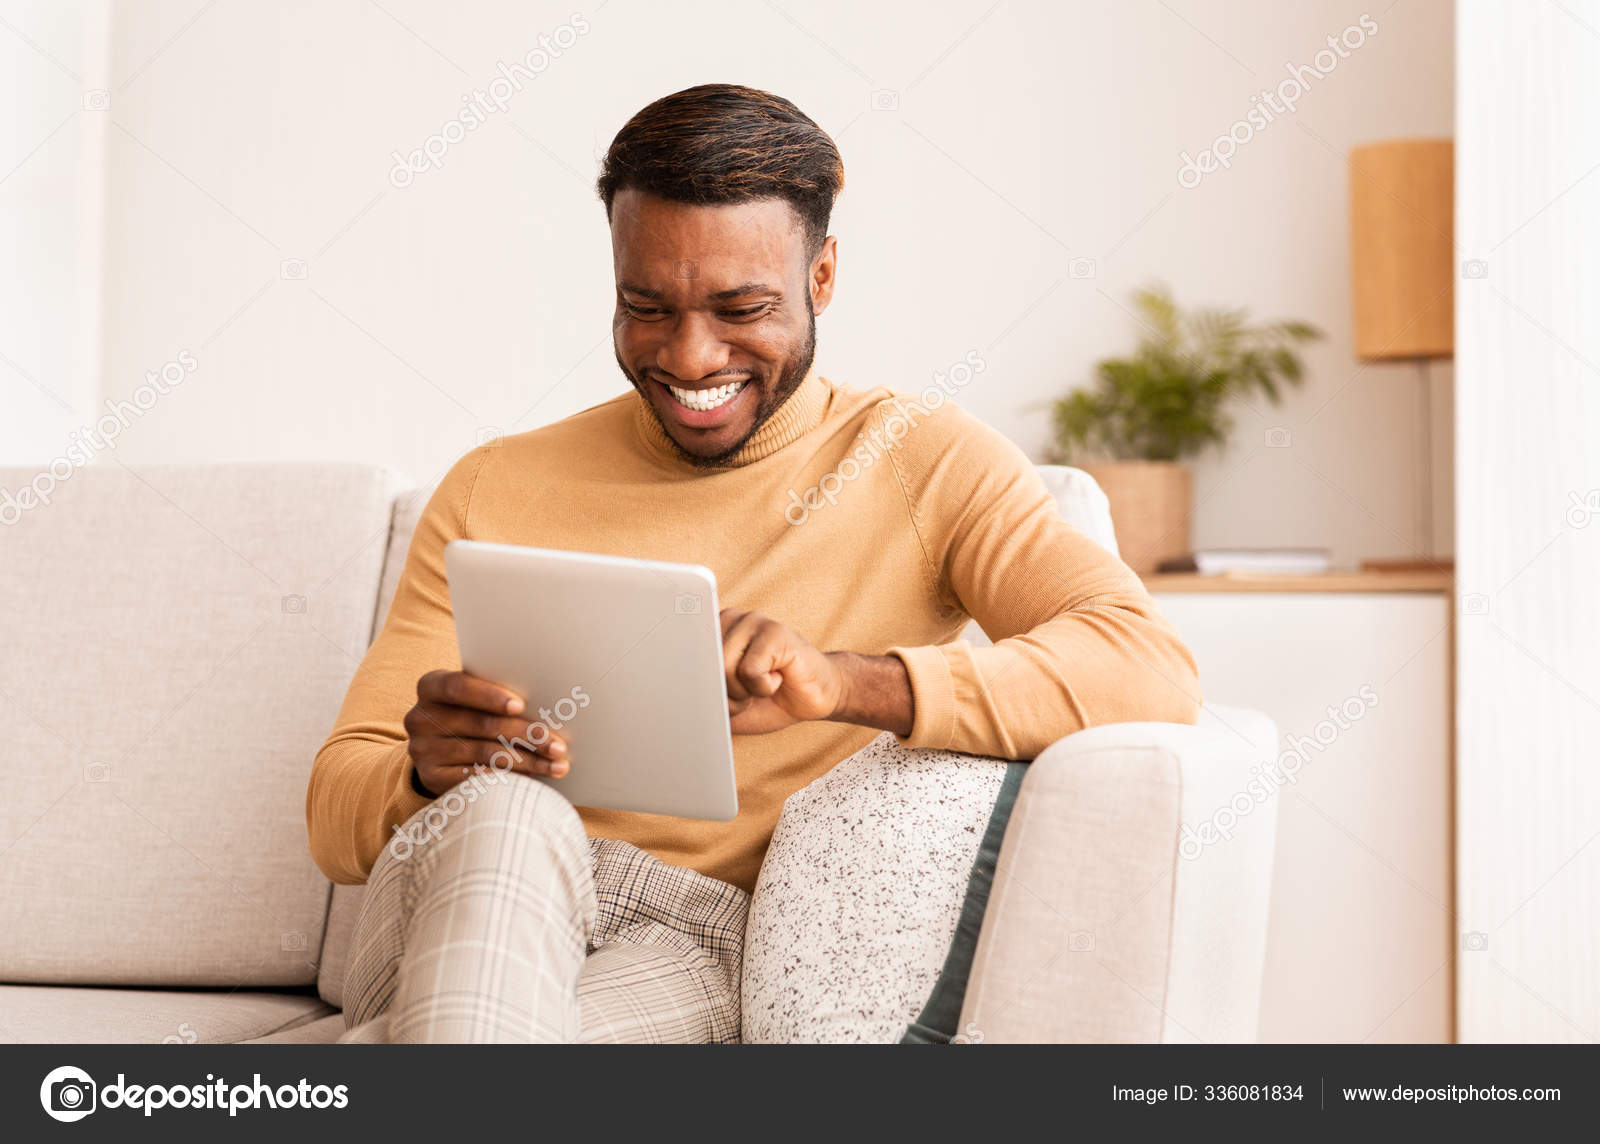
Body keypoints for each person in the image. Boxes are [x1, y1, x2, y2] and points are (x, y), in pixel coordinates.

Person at [307, 83, 1200, 1043]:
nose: (690, 357)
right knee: (512, 819)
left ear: (821, 278)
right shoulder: (494, 485)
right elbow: (333, 808)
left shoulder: (920, 460)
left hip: (687, 941)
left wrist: (846, 684)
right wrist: (426, 777)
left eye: (742, 307)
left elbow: (1147, 668)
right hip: (452, 883)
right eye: (645, 306)